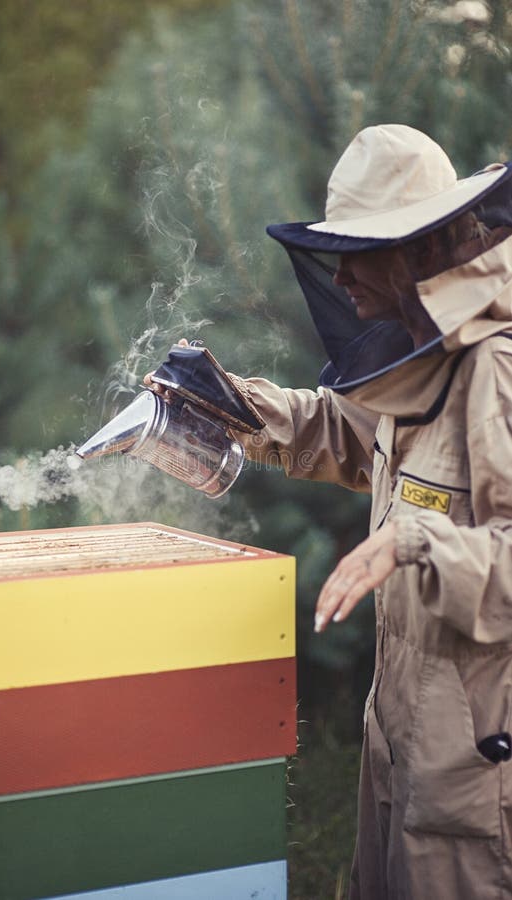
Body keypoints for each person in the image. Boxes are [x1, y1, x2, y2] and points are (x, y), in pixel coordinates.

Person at [145, 123, 512, 898]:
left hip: (478, 756)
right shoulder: (430, 354)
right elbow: (349, 433)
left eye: (357, 255)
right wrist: (232, 403)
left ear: (417, 250)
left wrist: (416, 542)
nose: (340, 281)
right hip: (405, 732)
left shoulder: (497, 370)